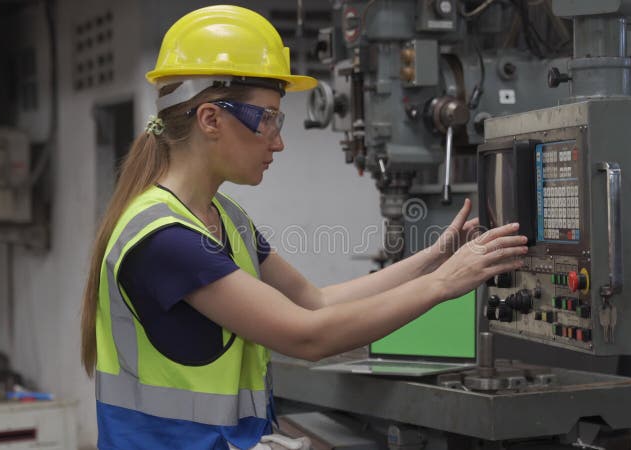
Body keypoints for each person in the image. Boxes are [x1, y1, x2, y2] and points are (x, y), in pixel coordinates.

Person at [79, 5, 527, 450]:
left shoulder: (226, 217)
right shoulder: (164, 239)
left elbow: (315, 301)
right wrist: (446, 285)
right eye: (266, 118)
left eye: (280, 119)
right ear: (210, 119)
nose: (279, 140)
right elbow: (307, 336)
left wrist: (431, 263)